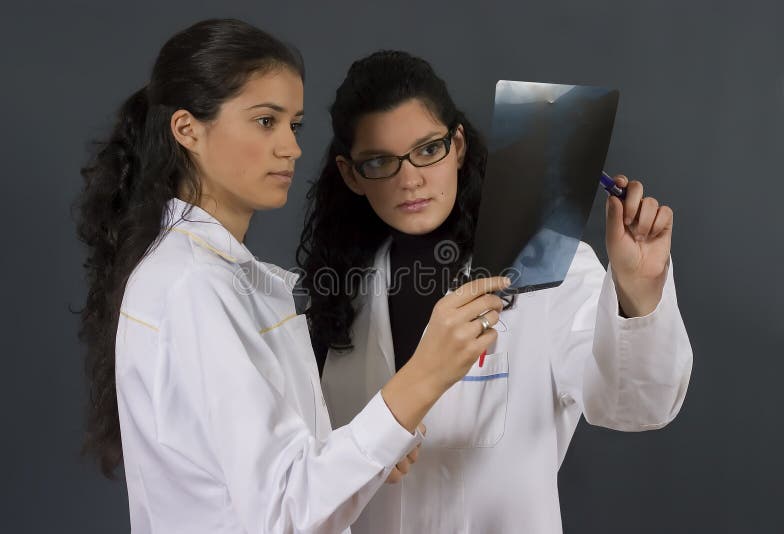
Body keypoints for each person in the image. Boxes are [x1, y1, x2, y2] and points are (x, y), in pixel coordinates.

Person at [76, 21, 509, 533]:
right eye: (265, 121)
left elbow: (272, 472)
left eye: (294, 126)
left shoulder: (216, 276)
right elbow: (285, 509)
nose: (291, 148)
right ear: (188, 130)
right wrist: (425, 375)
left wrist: (369, 449)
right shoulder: (194, 287)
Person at [298, 50, 693, 533]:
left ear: (458, 145)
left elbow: (635, 405)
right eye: (380, 161)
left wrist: (637, 292)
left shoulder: (544, 273)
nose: (411, 179)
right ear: (350, 173)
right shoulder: (336, 296)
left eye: (428, 149)